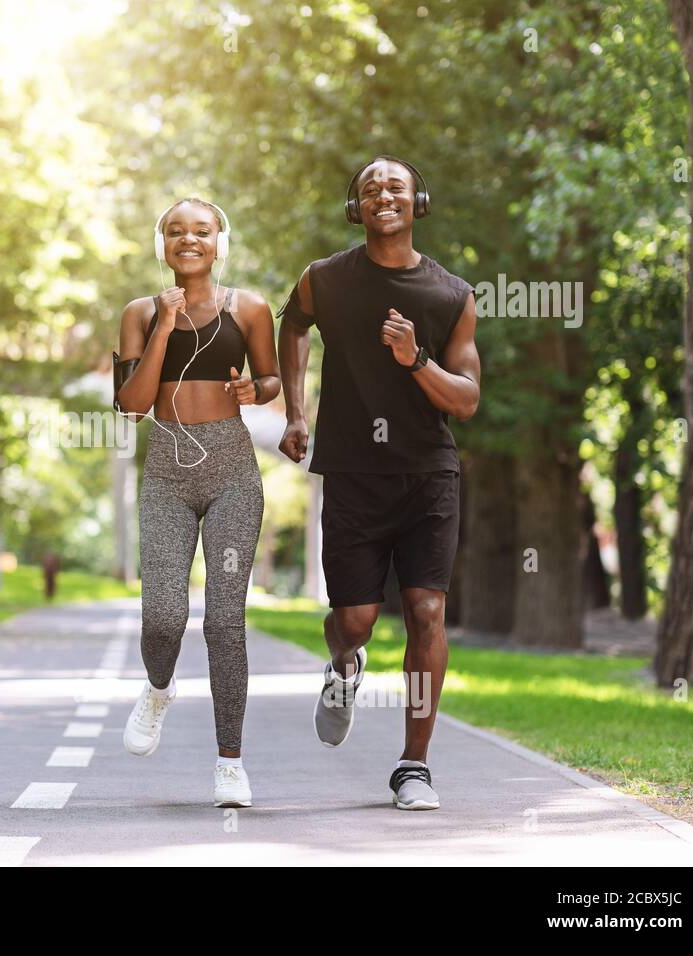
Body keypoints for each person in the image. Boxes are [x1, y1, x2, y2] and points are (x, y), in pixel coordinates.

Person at [276, 156, 481, 811]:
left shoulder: (452, 296)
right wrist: (294, 412)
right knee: (357, 619)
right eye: (370, 190)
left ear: (417, 199)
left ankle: (413, 767)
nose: (382, 196)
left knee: (426, 613)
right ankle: (343, 664)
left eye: (394, 187)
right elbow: (293, 325)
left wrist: (414, 359)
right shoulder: (326, 280)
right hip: (355, 476)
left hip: (427, 478)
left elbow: (467, 399)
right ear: (356, 208)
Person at [113, 197, 280, 808]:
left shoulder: (252, 308)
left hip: (232, 469)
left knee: (224, 622)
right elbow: (132, 403)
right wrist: (163, 321)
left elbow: (271, 381)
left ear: (220, 242)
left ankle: (229, 763)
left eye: (201, 232)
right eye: (176, 232)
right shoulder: (137, 312)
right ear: (162, 245)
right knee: (161, 617)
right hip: (166, 472)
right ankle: (158, 690)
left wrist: (252, 388)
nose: (190, 240)